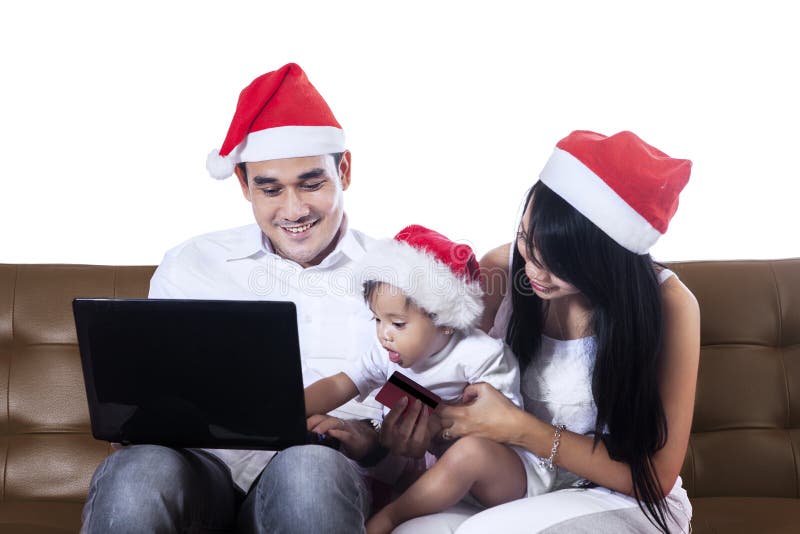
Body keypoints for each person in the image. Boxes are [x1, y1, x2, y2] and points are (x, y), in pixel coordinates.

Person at [80, 63, 422, 534]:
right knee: (138, 472)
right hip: (200, 476)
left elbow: (409, 436)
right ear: (244, 185)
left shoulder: (399, 279)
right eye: (270, 189)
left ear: (343, 170)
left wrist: (370, 443)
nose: (294, 210)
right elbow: (147, 401)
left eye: (311, 183)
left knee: (308, 470)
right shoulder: (192, 264)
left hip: (319, 472)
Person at [428, 130, 699, 533]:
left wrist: (521, 428)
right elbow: (457, 387)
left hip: (619, 497)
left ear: (606, 260)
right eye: (525, 239)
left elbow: (655, 477)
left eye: (557, 263)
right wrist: (427, 429)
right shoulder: (501, 270)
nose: (533, 272)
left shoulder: (671, 305)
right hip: (514, 478)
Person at [303, 224, 524, 534]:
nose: (384, 334)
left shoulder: (480, 354)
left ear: (445, 320)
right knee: (388, 456)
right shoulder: (386, 352)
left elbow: (505, 425)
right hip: (433, 466)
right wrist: (288, 410)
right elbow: (340, 383)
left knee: (469, 452)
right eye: (377, 319)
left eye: (397, 323)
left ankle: (390, 518)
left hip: (497, 471)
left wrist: (440, 427)